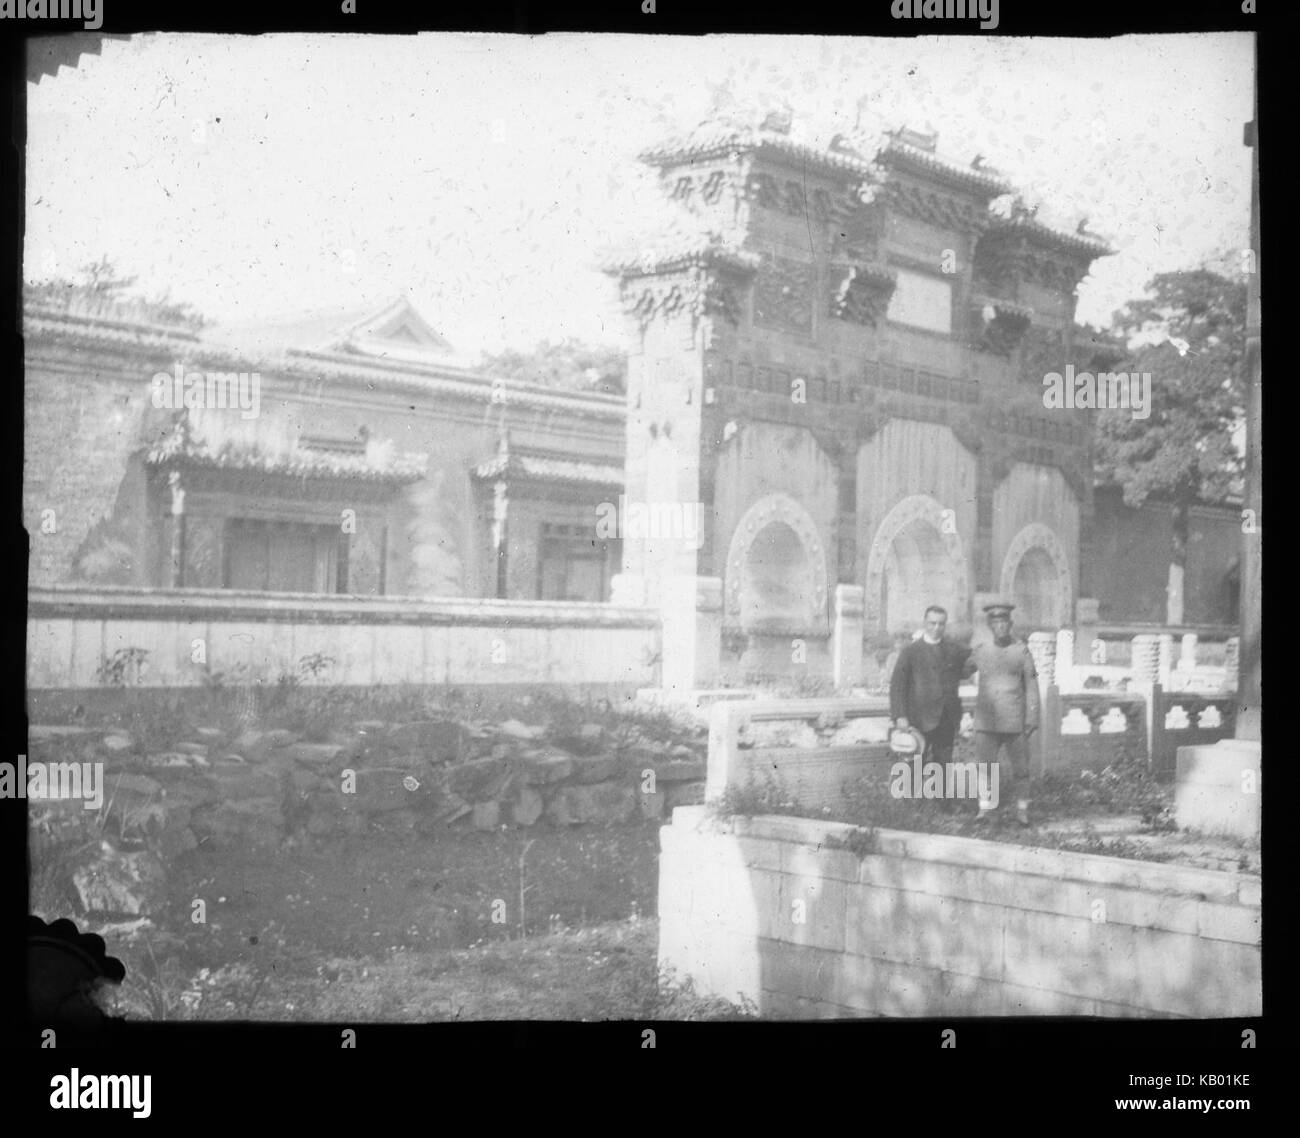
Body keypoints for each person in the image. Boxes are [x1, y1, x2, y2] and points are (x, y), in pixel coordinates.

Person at [969, 601, 1040, 825]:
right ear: (990, 625)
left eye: (1003, 622)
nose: (1000, 627)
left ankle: (1022, 811)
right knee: (984, 767)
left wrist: (1032, 718)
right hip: (986, 721)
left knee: (1021, 768)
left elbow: (1032, 687)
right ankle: (984, 810)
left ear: (1010, 624)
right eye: (995, 622)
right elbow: (959, 669)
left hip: (1014, 722)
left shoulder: (1021, 652)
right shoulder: (980, 651)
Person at [889, 605, 971, 772]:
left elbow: (973, 660)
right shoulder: (910, 652)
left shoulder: (954, 650)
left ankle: (940, 799)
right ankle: (913, 799)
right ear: (925, 623)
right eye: (932, 623)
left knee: (943, 767)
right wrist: (900, 716)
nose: (936, 628)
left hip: (946, 719)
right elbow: (897, 686)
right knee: (914, 767)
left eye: (941, 624)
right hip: (918, 719)